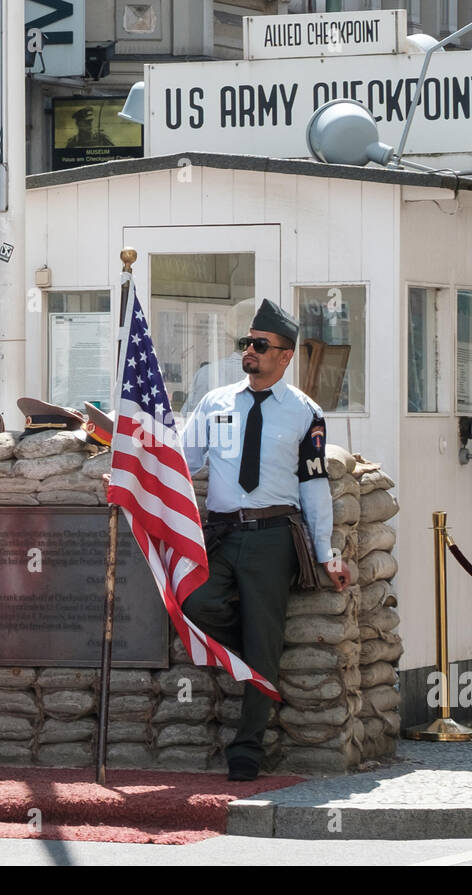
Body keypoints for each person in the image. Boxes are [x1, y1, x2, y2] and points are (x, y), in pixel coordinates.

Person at [180, 299, 350, 782]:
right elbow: (184, 461)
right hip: (223, 533)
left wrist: (327, 555)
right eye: (245, 344)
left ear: (285, 356)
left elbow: (314, 488)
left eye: (259, 345)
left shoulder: (305, 413)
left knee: (266, 637)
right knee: (195, 601)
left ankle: (247, 747)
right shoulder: (217, 402)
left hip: (275, 537)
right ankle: (251, 656)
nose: (248, 352)